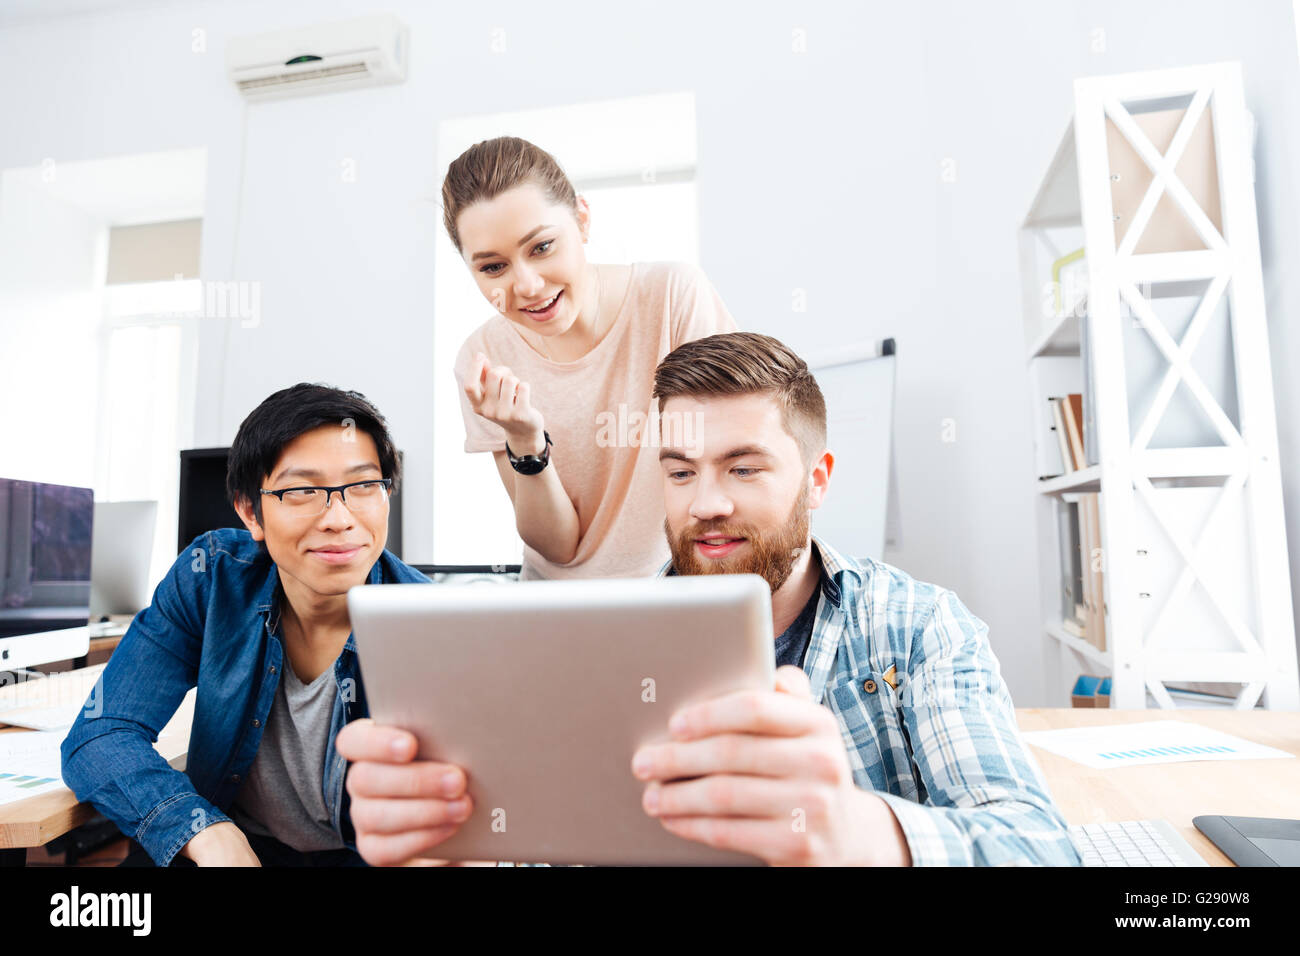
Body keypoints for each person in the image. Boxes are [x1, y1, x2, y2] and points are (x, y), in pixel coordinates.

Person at [337, 333, 1081, 866]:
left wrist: (856, 835)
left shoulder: (920, 629)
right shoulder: (599, 638)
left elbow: (1040, 848)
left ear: (818, 479)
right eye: (682, 472)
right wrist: (453, 849)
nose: (707, 504)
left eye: (744, 468)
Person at [61, 384, 435, 866]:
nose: (340, 519)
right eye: (302, 491)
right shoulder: (212, 575)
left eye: (364, 486)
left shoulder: (430, 622)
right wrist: (205, 829)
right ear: (249, 511)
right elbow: (100, 732)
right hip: (226, 846)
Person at [446, 136, 737, 581]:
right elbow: (559, 548)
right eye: (492, 267)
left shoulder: (674, 297)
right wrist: (525, 441)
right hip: (559, 612)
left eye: (541, 247)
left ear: (581, 219)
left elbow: (726, 472)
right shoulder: (485, 360)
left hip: (680, 594)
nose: (526, 285)